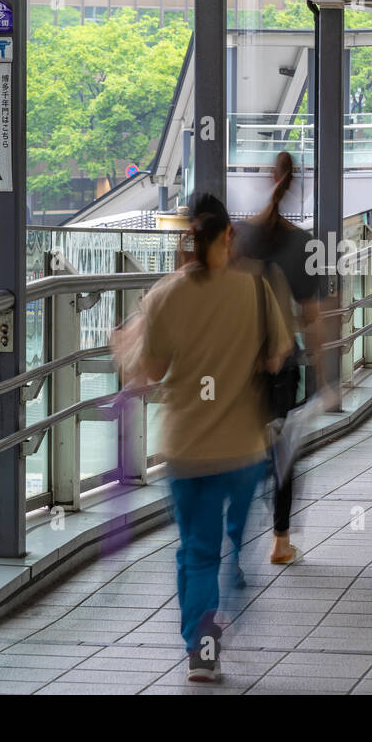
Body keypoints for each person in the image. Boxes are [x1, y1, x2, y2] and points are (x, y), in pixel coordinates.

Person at [113, 194, 291, 682]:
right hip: (242, 448)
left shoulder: (166, 295)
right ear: (227, 238)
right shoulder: (253, 292)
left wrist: (124, 348)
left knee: (195, 550)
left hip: (187, 449)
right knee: (231, 542)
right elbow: (277, 355)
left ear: (188, 242)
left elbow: (147, 375)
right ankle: (228, 596)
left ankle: (202, 648)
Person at [230, 151, 327, 570]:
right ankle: (280, 542)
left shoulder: (239, 236)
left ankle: (232, 539)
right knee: (282, 453)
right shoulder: (304, 245)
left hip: (235, 365)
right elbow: (311, 318)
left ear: (269, 179)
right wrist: (321, 373)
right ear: (295, 185)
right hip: (282, 367)